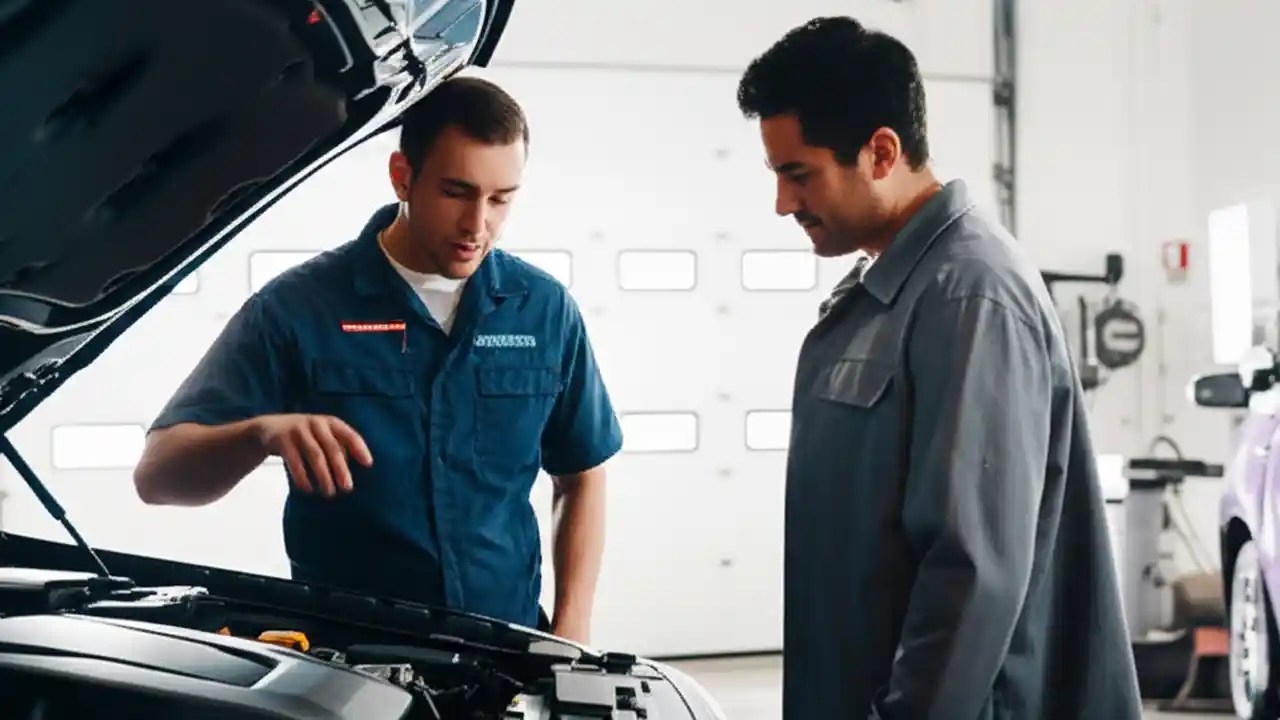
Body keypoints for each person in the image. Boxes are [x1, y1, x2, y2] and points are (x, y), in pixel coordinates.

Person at [736, 17, 1143, 719]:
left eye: (798, 174)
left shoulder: (970, 296)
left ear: (881, 151)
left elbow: (971, 574)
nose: (783, 204)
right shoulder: (893, 293)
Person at [132, 74, 622, 644]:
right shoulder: (296, 308)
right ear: (402, 177)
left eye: (501, 200)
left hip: (505, 650)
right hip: (347, 660)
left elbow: (582, 475)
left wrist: (572, 629)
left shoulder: (544, 310)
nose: (477, 224)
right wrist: (259, 433)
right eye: (457, 192)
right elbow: (158, 476)